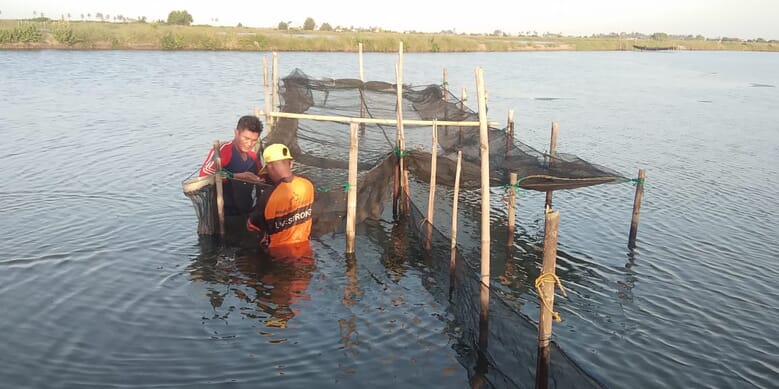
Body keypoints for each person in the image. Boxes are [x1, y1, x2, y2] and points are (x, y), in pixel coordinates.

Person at [247, 143, 314, 251]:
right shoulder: (308, 185)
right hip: (305, 247)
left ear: (269, 167)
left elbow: (251, 225)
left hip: (277, 253)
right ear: (291, 164)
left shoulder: (268, 195)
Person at [199, 115, 264, 216]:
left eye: (254, 140)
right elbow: (205, 174)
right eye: (246, 138)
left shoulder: (253, 157)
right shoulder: (223, 150)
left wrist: (261, 180)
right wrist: (236, 176)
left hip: (247, 211)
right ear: (236, 132)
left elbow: (262, 176)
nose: (249, 143)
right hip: (223, 214)